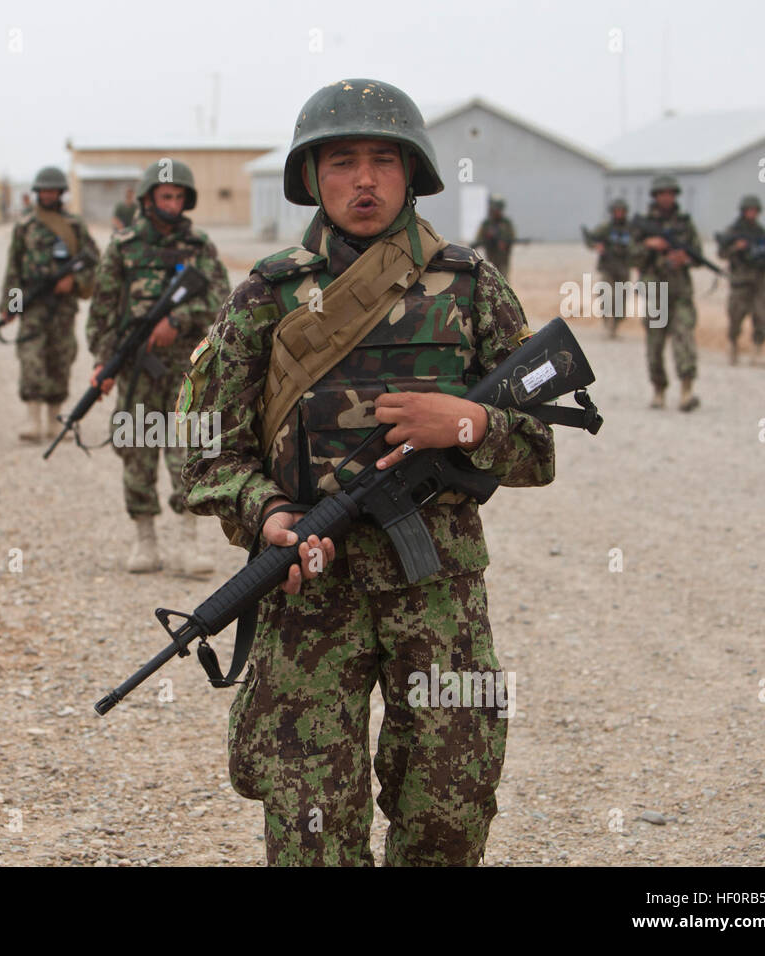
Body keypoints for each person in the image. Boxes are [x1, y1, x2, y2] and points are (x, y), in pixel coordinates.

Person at [179, 78, 555, 866]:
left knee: (451, 809)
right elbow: (206, 453)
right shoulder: (265, 297)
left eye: (384, 160)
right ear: (311, 177)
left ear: (412, 173)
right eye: (342, 162)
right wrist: (267, 511)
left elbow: (538, 449)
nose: (364, 180)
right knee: (311, 823)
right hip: (308, 594)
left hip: (438, 592)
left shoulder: (471, 287)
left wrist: (467, 422)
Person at [86, 159, 229, 576]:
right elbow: (102, 311)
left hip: (188, 369)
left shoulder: (199, 245)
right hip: (138, 369)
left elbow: (223, 300)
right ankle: (145, 538)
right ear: (148, 200)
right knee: (136, 449)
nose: (172, 203)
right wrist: (104, 362)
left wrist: (178, 321)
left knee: (190, 450)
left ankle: (189, 542)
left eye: (179, 196)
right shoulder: (123, 246)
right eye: (166, 196)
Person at [0, 166, 100, 442]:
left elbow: (94, 263)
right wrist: (10, 306)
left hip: (63, 306)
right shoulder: (25, 226)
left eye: (53, 190)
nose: (48, 194)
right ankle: (33, 421)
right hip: (33, 304)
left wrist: (75, 282)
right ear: (37, 192)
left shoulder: (74, 225)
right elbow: (14, 269)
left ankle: (54, 420)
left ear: (61, 192)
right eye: (44, 190)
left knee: (60, 358)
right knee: (30, 356)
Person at [631, 173, 704, 410]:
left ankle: (686, 391)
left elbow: (698, 255)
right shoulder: (643, 225)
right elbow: (630, 255)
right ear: (655, 196)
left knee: (685, 339)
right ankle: (659, 389)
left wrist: (685, 259)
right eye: (662, 193)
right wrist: (648, 245)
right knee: (655, 345)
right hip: (655, 293)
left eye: (670, 193)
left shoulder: (684, 224)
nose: (666, 197)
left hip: (680, 292)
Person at [716, 194, 765, 366]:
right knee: (736, 316)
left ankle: (757, 352)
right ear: (743, 211)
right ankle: (733, 346)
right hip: (740, 281)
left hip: (758, 281)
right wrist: (736, 247)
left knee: (761, 316)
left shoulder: (761, 232)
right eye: (749, 210)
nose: (752, 213)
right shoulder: (733, 231)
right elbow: (722, 253)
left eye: (755, 210)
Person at [586, 198, 634, 337]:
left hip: (623, 268)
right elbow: (590, 239)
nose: (619, 214)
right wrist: (596, 245)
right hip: (608, 267)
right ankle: (608, 323)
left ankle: (615, 326)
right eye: (616, 211)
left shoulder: (631, 228)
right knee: (606, 295)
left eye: (621, 211)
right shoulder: (606, 228)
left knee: (621, 299)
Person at [473, 196, 515, 276]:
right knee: (491, 275)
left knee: (503, 275)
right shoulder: (487, 223)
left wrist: (505, 243)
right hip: (491, 255)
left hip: (502, 257)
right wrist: (486, 239)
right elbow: (479, 237)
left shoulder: (506, 223)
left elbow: (511, 236)